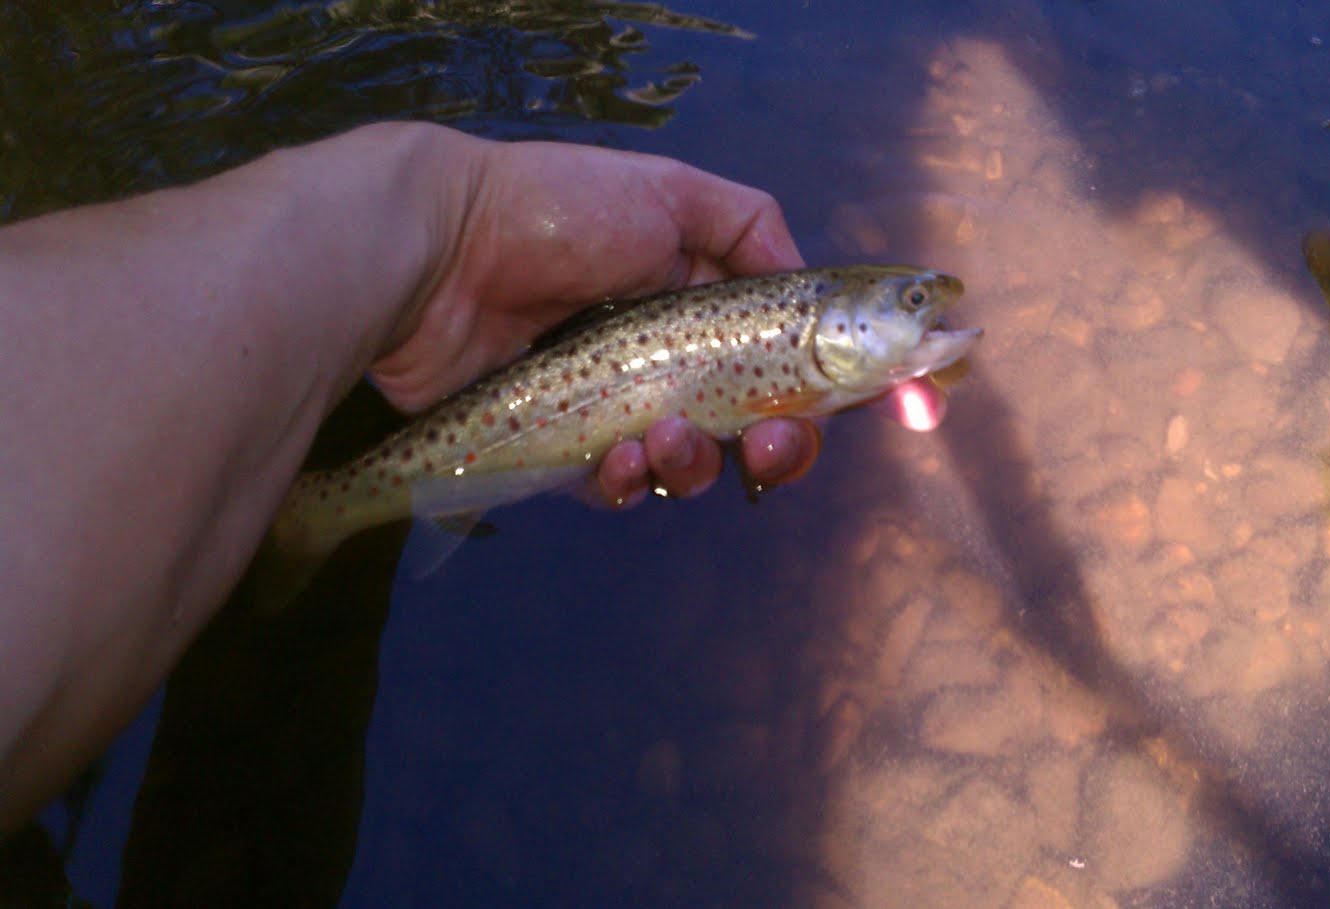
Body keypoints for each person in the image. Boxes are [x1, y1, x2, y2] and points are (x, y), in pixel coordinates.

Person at [0, 121, 945, 833]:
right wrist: (449, 216)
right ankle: (312, 526)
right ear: (836, 324)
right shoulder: (802, 345)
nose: (925, 310)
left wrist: (453, 215)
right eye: (908, 301)